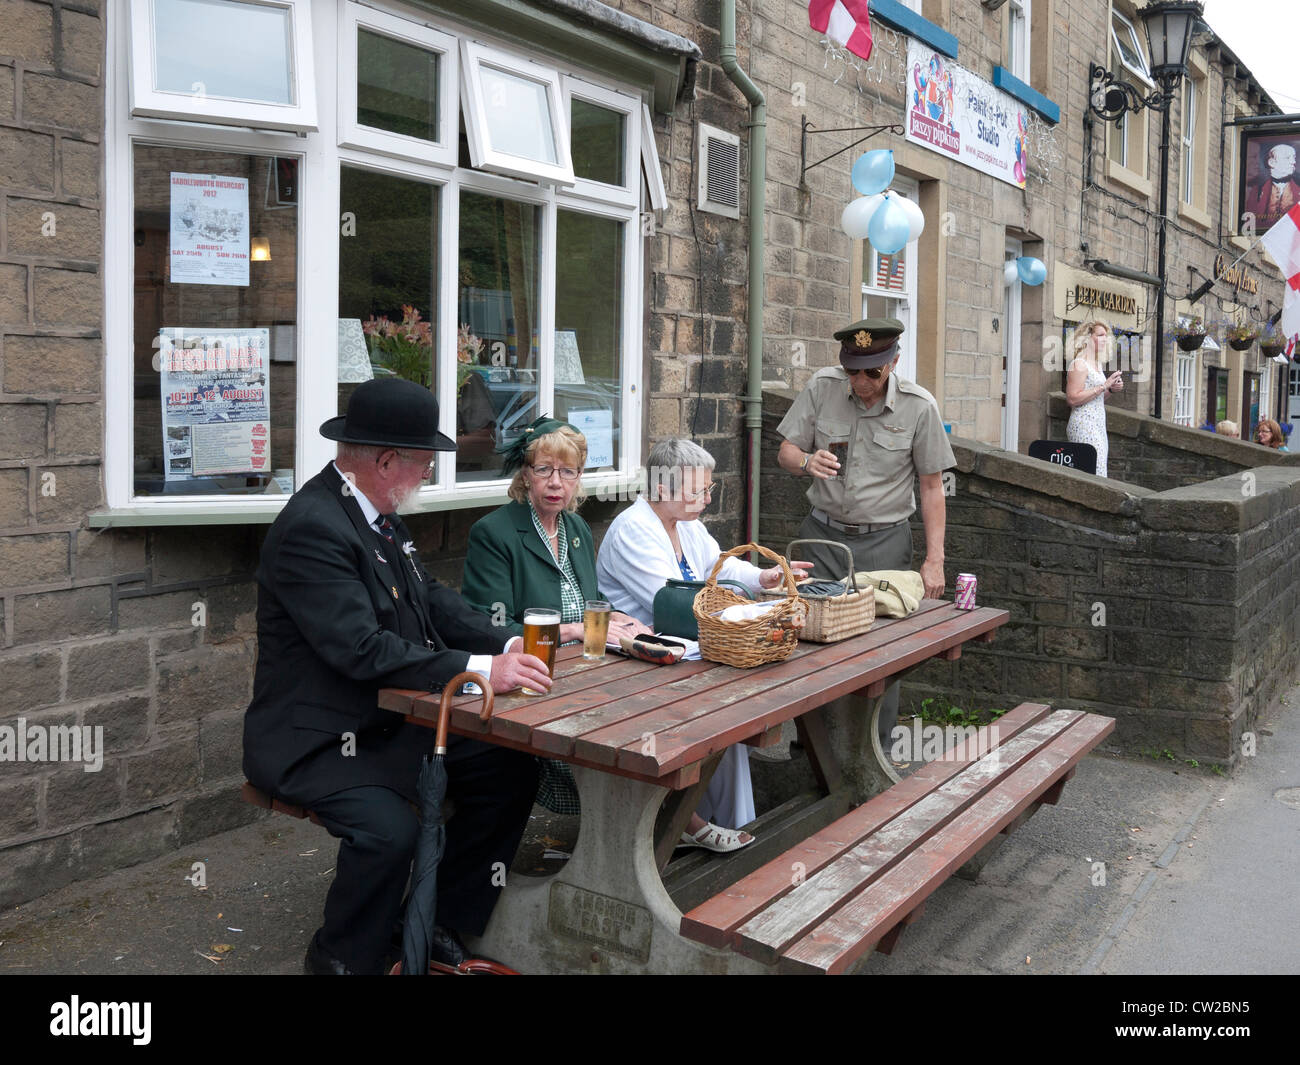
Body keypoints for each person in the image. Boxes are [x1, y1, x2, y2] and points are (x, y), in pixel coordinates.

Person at [243, 377, 551, 976]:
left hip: (389, 721)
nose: (428, 478)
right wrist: (481, 669)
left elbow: (429, 597)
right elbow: (360, 648)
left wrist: (506, 639)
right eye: (423, 464)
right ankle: (341, 957)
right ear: (386, 461)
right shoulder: (314, 527)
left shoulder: (374, 511)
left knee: (509, 767)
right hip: (318, 739)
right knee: (390, 832)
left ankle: (434, 920)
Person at [596, 438, 813, 851]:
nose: (706, 499)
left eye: (709, 489)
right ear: (661, 488)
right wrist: (741, 606)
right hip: (636, 666)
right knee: (724, 712)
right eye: (697, 491)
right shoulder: (632, 529)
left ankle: (727, 819)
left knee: (734, 713)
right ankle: (692, 822)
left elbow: (721, 565)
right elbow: (675, 601)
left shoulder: (686, 524)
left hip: (687, 653)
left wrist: (762, 578)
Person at [775, 317, 954, 749]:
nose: (861, 381)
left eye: (872, 371)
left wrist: (935, 560)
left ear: (894, 362)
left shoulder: (919, 406)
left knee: (881, 648)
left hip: (884, 542)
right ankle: (813, 748)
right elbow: (785, 449)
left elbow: (932, 488)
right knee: (809, 638)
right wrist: (805, 463)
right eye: (853, 370)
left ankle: (875, 750)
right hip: (822, 536)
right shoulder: (822, 387)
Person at [460, 416, 650, 815]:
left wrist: (619, 622)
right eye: (544, 469)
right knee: (620, 746)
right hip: (530, 686)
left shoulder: (577, 527)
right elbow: (489, 629)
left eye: (568, 471)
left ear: (579, 477)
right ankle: (665, 828)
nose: (555, 482)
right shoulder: (493, 533)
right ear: (525, 475)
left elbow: (591, 603)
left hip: (586, 676)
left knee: (656, 718)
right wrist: (574, 630)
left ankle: (662, 825)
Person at [1065, 320, 1124, 478]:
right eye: (1100, 335)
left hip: (1098, 424)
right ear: (1087, 338)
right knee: (1092, 473)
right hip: (1083, 424)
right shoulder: (1079, 364)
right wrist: (1104, 386)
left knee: (1100, 472)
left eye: (1106, 336)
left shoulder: (1096, 364)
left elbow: (1095, 398)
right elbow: (1072, 398)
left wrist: (1111, 388)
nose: (1105, 339)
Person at [1246, 143, 1300, 230]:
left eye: (1293, 158)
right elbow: (1249, 222)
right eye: (1287, 158)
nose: (1293, 162)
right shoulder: (1257, 190)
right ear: (1272, 163)